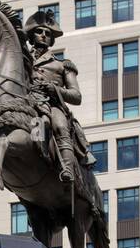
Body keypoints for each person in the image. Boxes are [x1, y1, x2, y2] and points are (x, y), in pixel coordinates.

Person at [24, 11, 94, 184]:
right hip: (26, 101)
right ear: (31, 36)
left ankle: (67, 170)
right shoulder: (22, 60)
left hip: (51, 104)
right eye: (39, 32)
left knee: (60, 126)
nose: (44, 35)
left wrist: (54, 88)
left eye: (48, 34)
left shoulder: (63, 65)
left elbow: (76, 96)